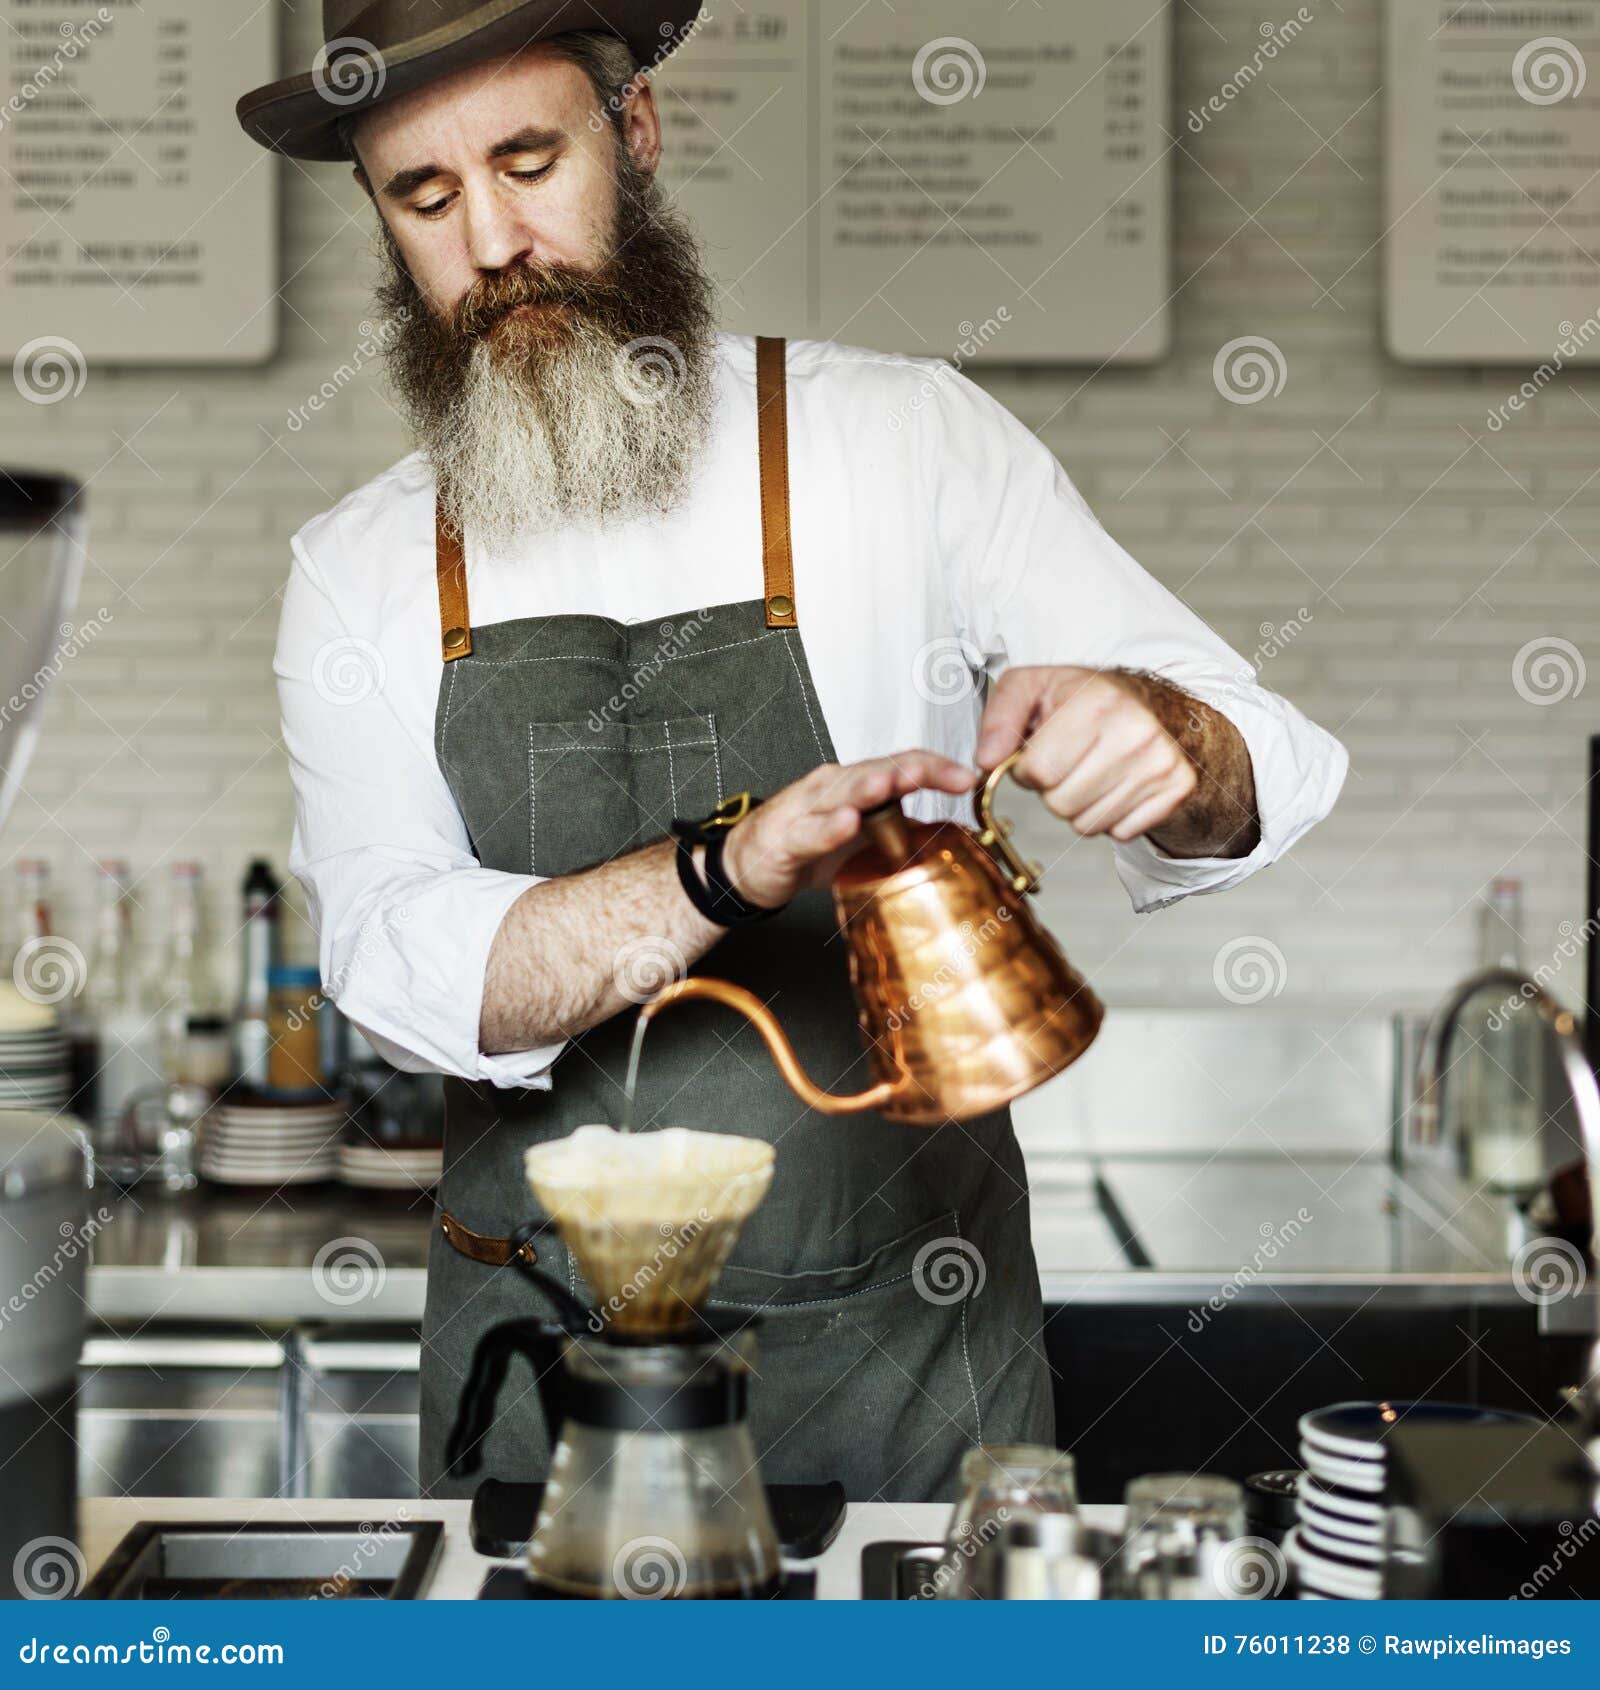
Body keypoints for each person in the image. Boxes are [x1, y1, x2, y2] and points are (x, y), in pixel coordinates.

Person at [238, 4, 1347, 1501]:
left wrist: (1168, 739)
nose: (493, 242)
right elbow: (401, 970)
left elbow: (1264, 761)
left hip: (905, 1370)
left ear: (633, 136)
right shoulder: (360, 567)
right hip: (546, 1380)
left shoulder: (902, 445)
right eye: (426, 200)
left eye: (527, 162)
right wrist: (727, 865)